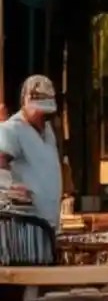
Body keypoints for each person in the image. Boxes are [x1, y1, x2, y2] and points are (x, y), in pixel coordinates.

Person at [0, 75, 63, 230]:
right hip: (24, 227)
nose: (41, 114)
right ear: (24, 102)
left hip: (50, 223)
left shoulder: (48, 131)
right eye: (37, 109)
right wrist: (11, 188)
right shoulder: (12, 129)